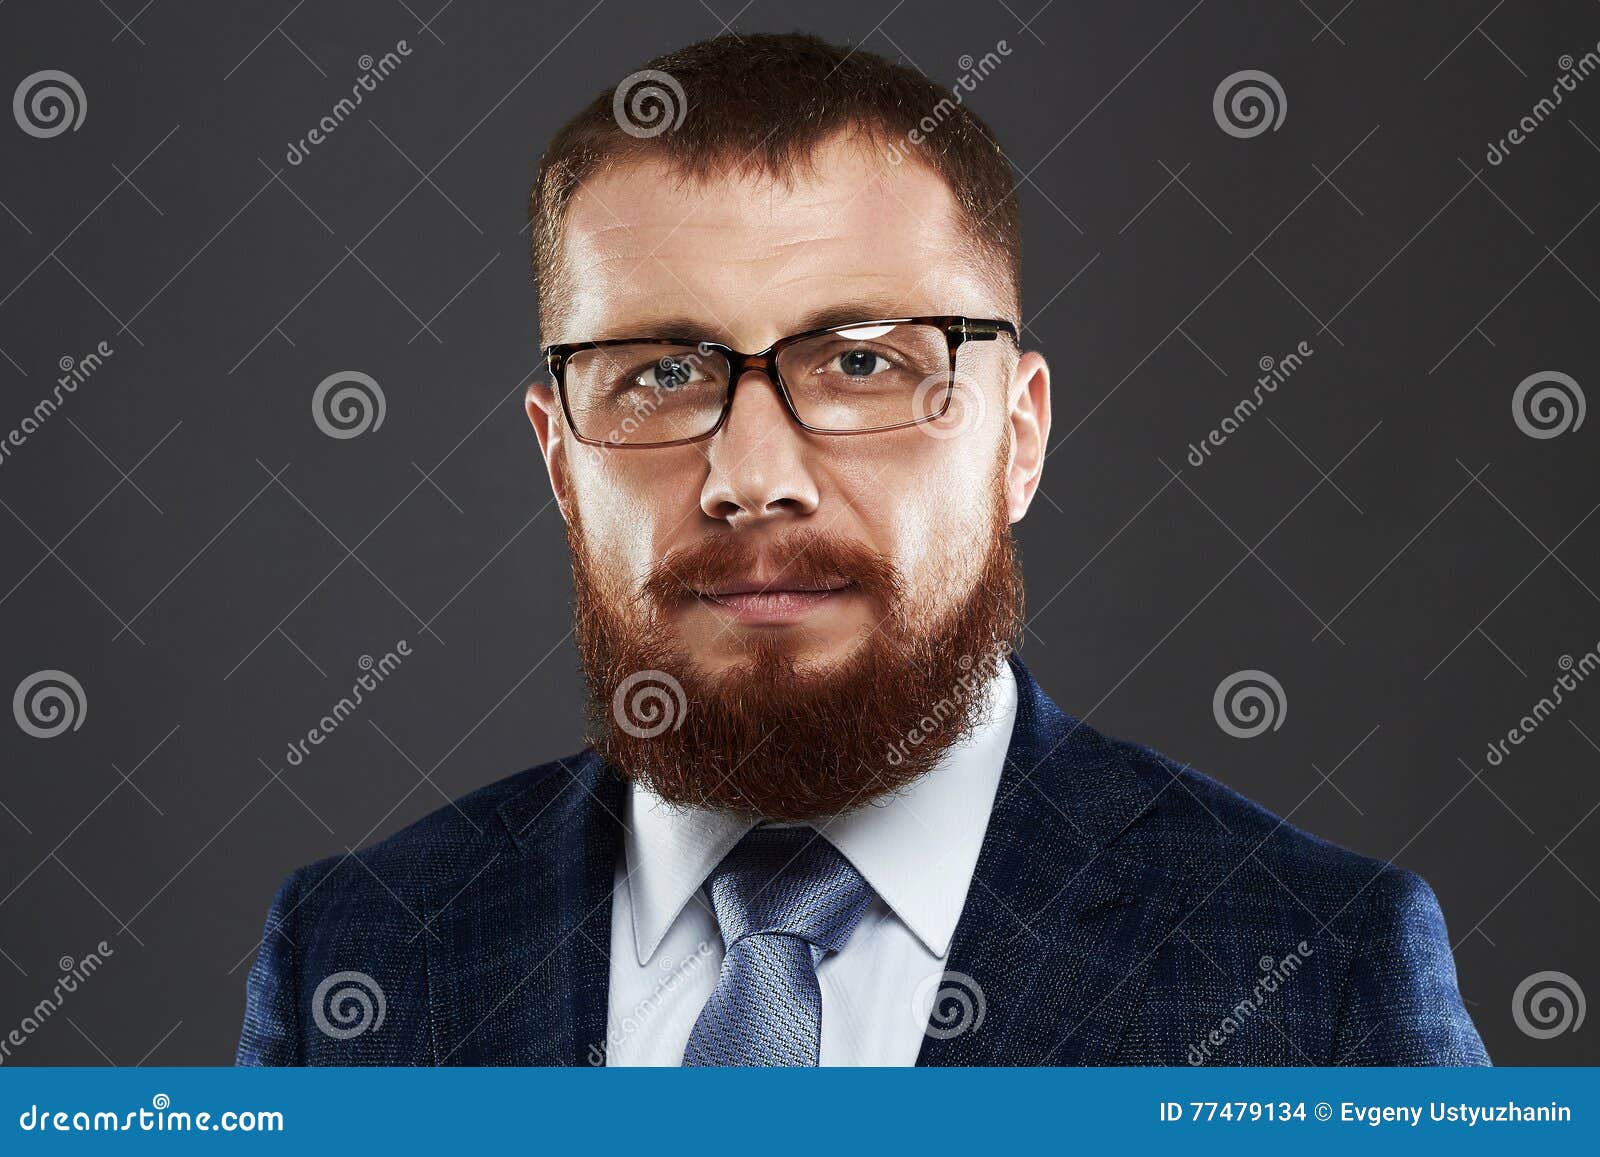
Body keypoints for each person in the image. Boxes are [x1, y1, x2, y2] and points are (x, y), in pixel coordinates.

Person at [237, 32, 1487, 1067]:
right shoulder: (355, 958)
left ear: (1018, 433)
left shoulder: (1318, 973)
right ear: (561, 456)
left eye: (859, 362)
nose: (754, 478)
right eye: (663, 374)